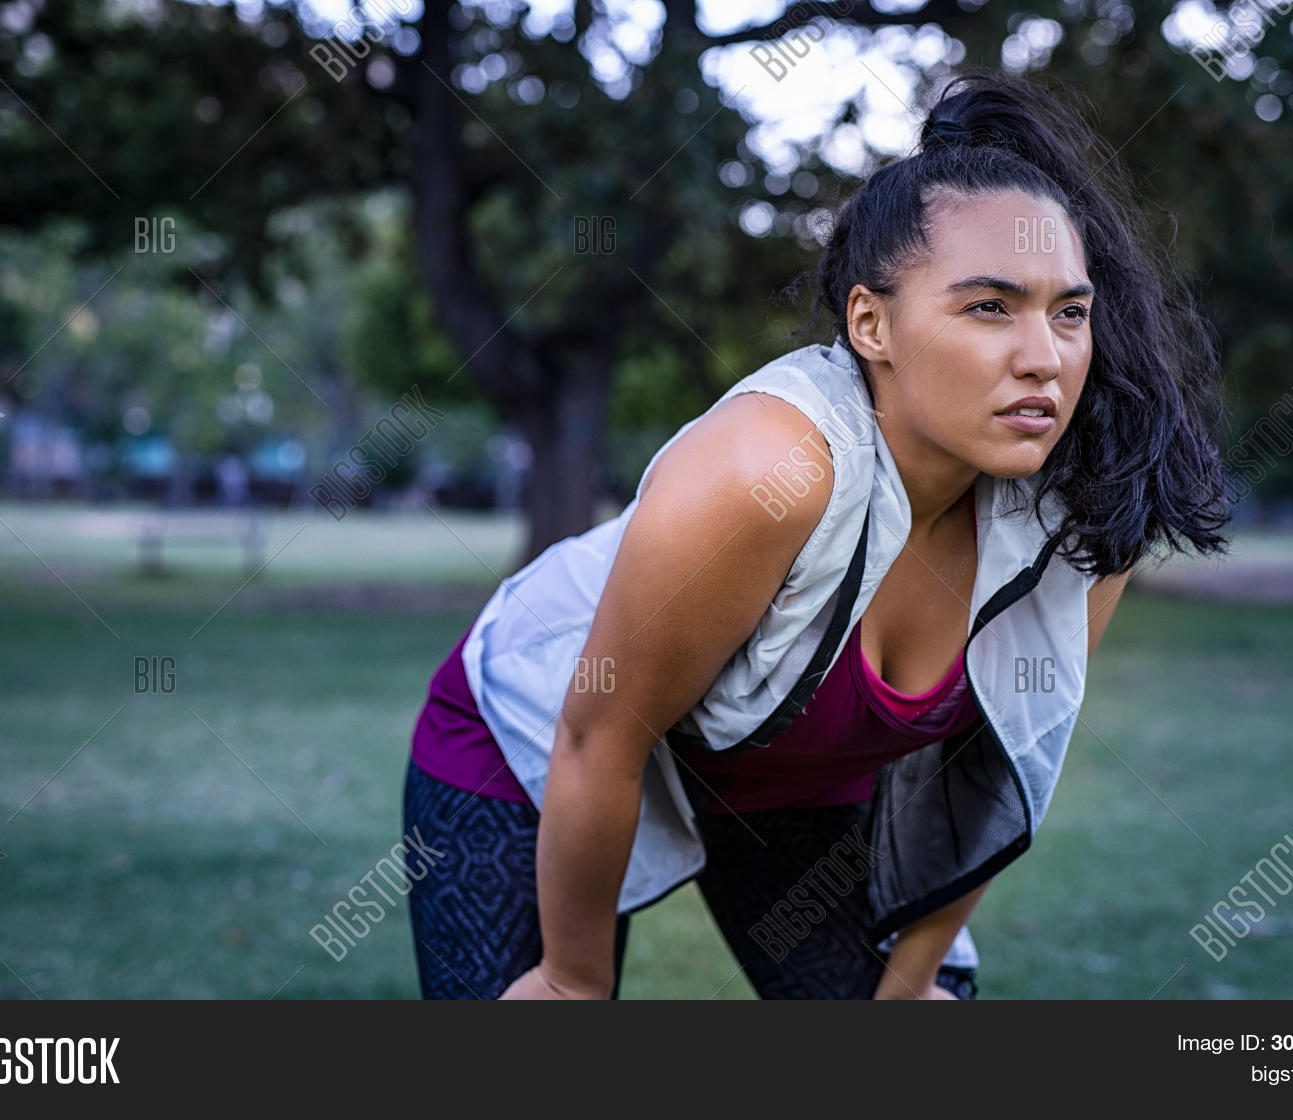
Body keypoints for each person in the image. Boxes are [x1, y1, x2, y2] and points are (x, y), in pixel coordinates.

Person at [401, 69, 1233, 1000]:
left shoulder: (1085, 517)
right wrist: (570, 983)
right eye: (989, 307)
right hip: (536, 738)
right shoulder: (767, 471)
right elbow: (598, 736)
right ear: (871, 323)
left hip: (789, 787)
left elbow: (1001, 768)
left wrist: (911, 983)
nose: (1045, 357)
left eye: (1069, 312)